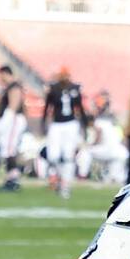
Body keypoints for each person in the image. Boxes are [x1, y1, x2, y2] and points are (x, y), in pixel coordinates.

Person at [42, 67, 87, 200]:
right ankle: (57, 179)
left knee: (68, 155)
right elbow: (47, 107)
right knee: (53, 155)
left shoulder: (75, 88)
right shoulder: (53, 89)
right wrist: (43, 123)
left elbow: (80, 107)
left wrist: (84, 124)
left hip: (71, 124)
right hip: (56, 124)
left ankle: (65, 185)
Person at [0, 81, 27, 190]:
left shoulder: (14, 86)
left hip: (12, 119)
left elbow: (13, 105)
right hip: (10, 119)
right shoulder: (9, 87)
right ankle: (10, 180)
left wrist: (5, 121)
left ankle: (13, 181)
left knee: (9, 151)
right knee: (6, 151)